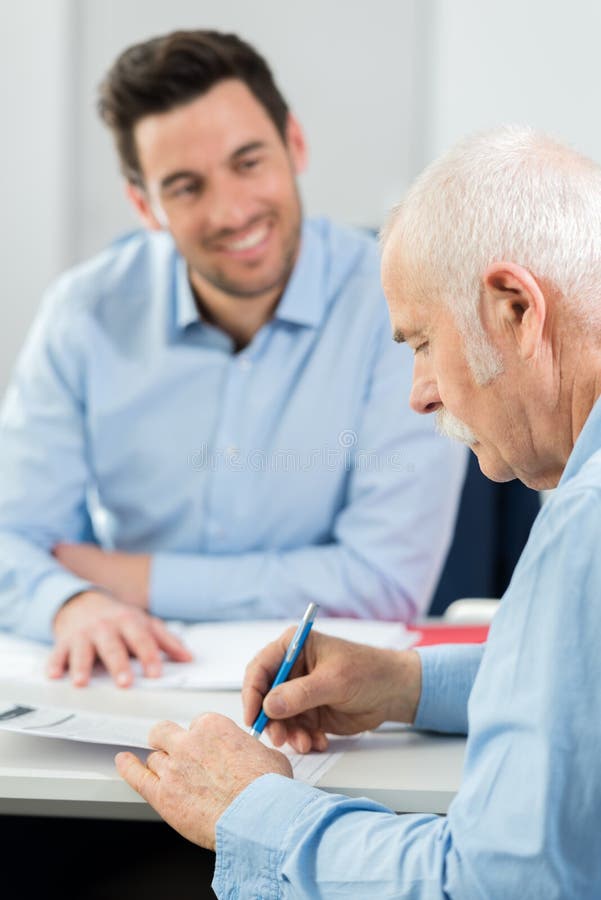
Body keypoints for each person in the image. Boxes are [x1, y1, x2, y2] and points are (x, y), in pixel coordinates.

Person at [116, 125, 601, 898]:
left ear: (514, 309)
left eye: (419, 342)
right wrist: (408, 684)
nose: (417, 394)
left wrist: (253, 809)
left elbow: (494, 886)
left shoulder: (585, 527)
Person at [0, 29, 466, 688]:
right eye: (186, 187)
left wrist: (132, 578)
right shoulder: (84, 313)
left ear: (294, 144)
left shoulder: (393, 303)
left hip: (326, 697)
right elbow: (11, 538)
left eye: (248, 163)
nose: (231, 210)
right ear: (145, 205)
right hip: (128, 685)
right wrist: (72, 601)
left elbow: (381, 582)